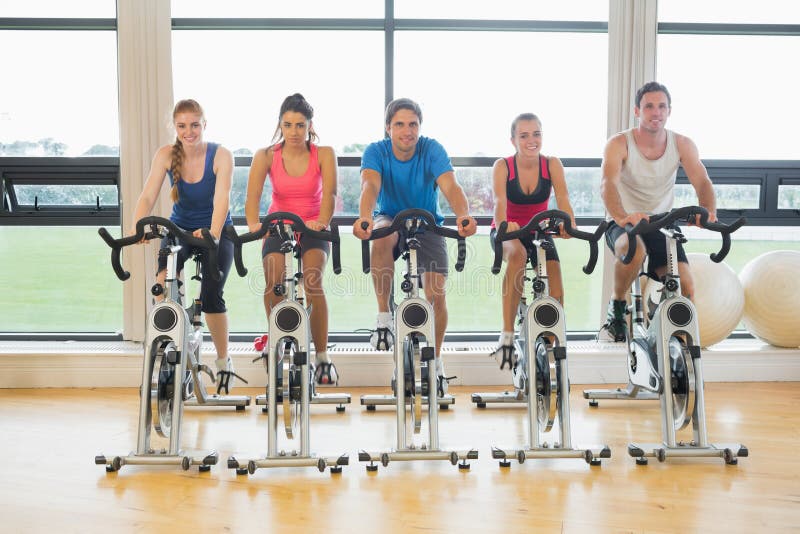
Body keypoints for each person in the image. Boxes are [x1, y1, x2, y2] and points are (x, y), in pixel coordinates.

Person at [352, 97, 477, 393]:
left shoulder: (431, 149)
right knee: (381, 237)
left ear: (420, 126)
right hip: (389, 217)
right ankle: (384, 317)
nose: (407, 131)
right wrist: (365, 217)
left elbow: (451, 185)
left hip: (426, 221)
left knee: (436, 294)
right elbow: (370, 186)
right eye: (399, 124)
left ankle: (436, 359)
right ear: (388, 127)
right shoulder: (376, 151)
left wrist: (463, 214)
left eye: (413, 124)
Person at [130, 98, 240, 393]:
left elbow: (222, 198)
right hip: (179, 228)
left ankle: (223, 361)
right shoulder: (166, 154)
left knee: (212, 296)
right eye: (182, 126)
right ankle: (173, 342)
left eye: (194, 125)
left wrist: (212, 234)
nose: (188, 132)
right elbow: (147, 195)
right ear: (175, 127)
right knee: (162, 286)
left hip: (218, 230)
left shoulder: (221, 155)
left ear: (204, 125)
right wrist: (138, 225)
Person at [600, 81, 717, 341]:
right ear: (637, 111)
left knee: (686, 288)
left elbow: (703, 181)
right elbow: (608, 184)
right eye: (649, 106)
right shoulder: (619, 143)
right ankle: (617, 304)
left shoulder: (682, 143)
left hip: (662, 221)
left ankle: (679, 349)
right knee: (634, 251)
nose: (656, 112)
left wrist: (708, 211)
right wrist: (622, 216)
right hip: (624, 221)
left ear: (669, 111)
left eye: (662, 106)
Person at [245, 93, 340, 385]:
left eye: (300, 125)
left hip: (312, 224)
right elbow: (253, 197)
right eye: (288, 125)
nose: (294, 131)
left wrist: (321, 222)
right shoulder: (265, 155)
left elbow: (330, 194)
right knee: (274, 281)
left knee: (313, 281)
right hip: (278, 223)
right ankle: (276, 343)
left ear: (310, 126)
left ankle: (322, 357)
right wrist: (254, 225)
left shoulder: (324, 153)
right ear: (280, 125)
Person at [489, 113, 575, 367]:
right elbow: (499, 202)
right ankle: (506, 337)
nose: (531, 140)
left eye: (536, 134)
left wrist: (568, 223)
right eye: (524, 135)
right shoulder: (503, 166)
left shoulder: (552, 164)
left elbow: (564, 198)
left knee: (556, 291)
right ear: (513, 140)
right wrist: (504, 224)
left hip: (539, 231)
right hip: (508, 231)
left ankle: (548, 345)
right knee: (518, 255)